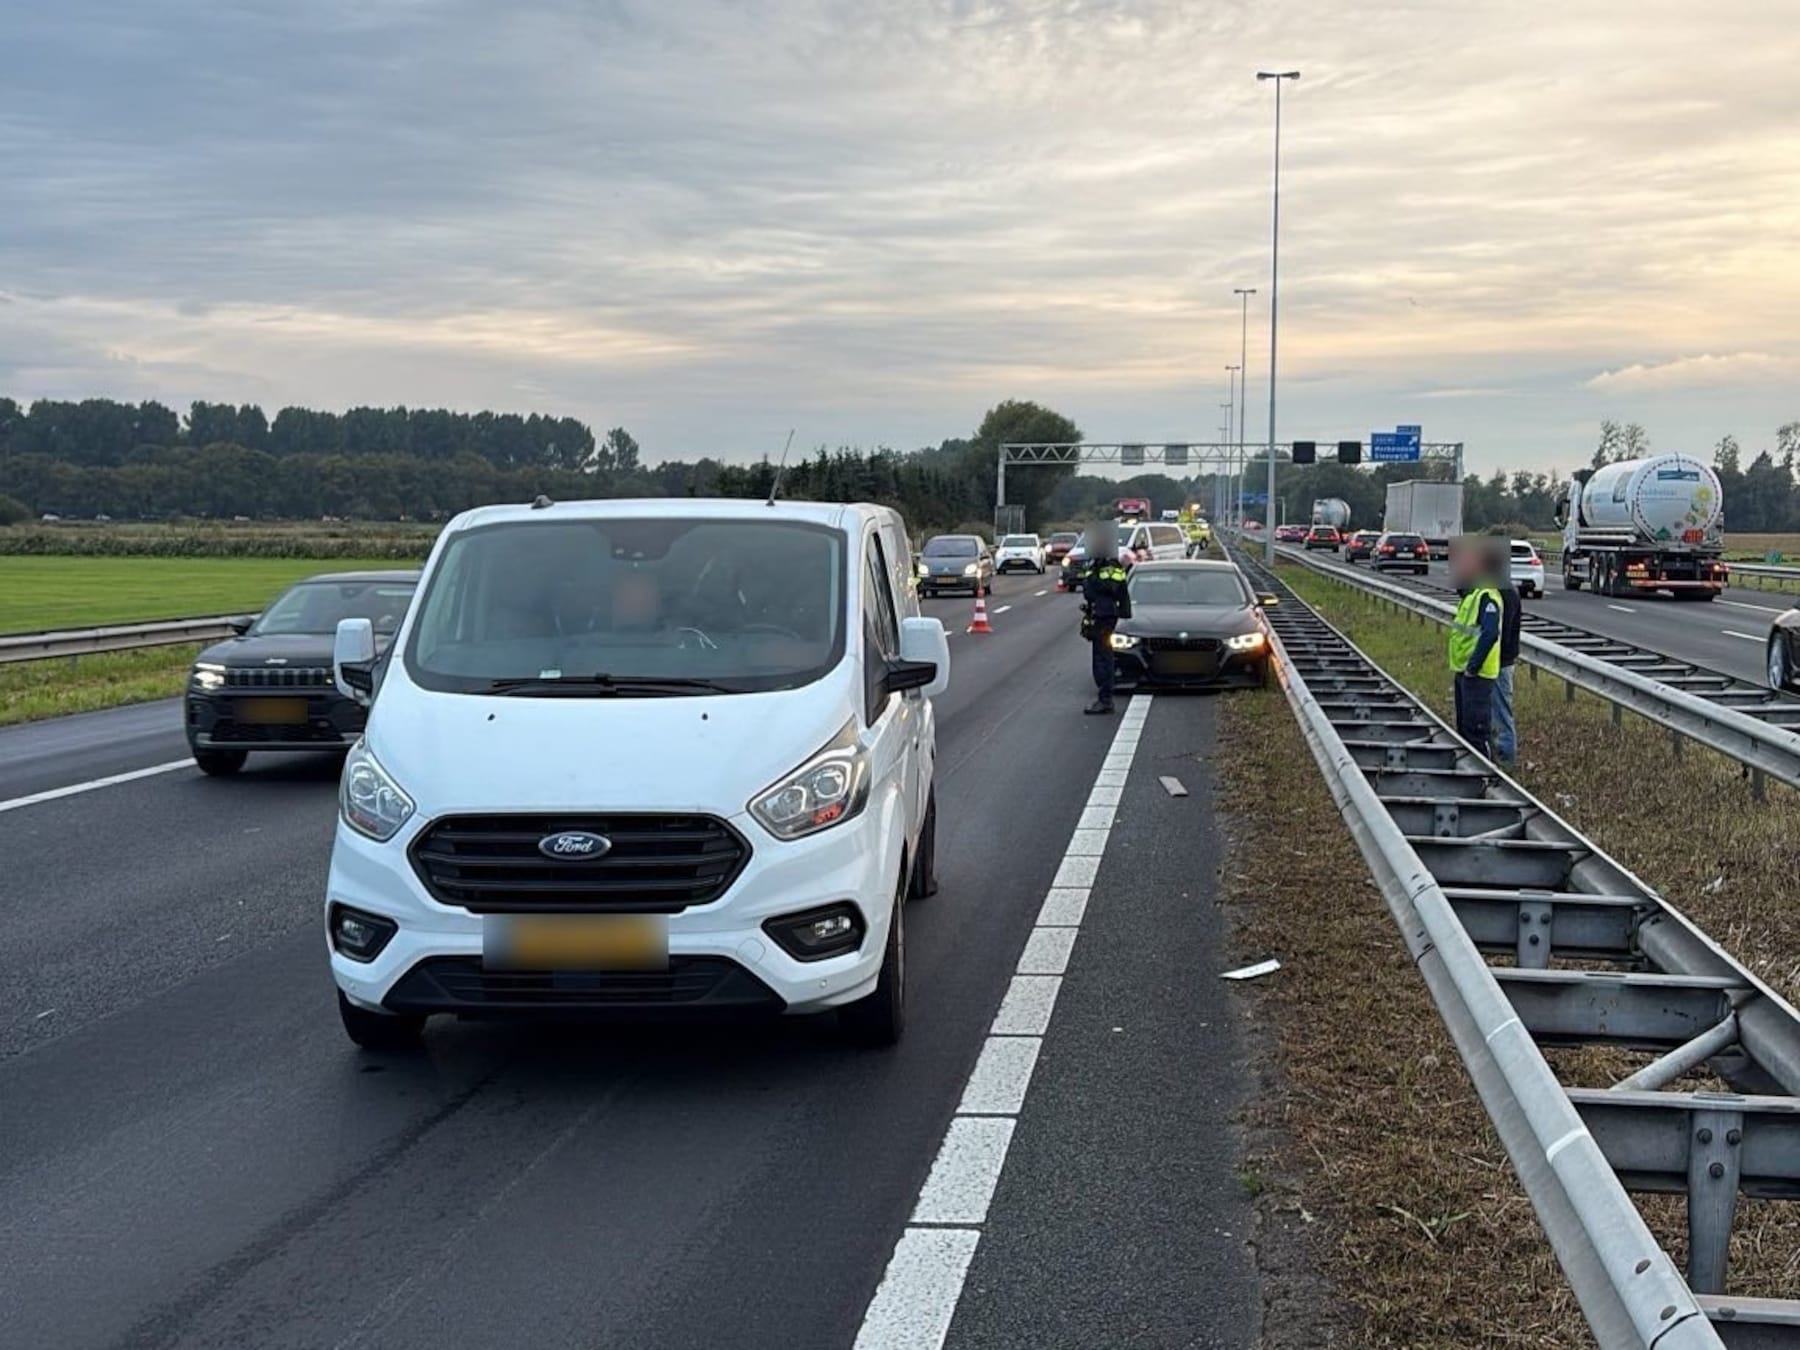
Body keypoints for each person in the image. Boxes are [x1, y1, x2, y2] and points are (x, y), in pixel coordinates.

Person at [1447, 537, 1502, 757]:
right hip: (1464, 673)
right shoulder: (1470, 597)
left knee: (1476, 731)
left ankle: (1487, 777)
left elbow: (1490, 634)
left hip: (1478, 674)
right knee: (1465, 729)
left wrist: (1472, 666)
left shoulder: (1486, 596)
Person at [1078, 520, 1133, 715]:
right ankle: (1103, 696)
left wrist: (1092, 577)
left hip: (1105, 614)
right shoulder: (1100, 564)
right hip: (1100, 613)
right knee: (1100, 655)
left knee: (1104, 657)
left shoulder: (1107, 566)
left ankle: (1105, 699)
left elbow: (1109, 588)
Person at [1486, 538, 1523, 767]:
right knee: (1495, 711)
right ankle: (1499, 756)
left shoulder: (1504, 593)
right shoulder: (1505, 589)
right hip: (1499, 660)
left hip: (1500, 661)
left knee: (1501, 712)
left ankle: (1506, 759)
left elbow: (1501, 630)